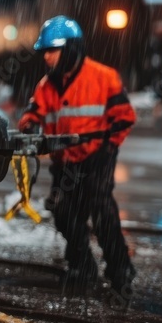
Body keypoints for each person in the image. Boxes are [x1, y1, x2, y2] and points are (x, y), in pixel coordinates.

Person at [18, 16, 137, 304]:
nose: (46, 56)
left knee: (103, 214)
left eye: (52, 50)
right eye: (44, 51)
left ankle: (121, 273)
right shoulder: (46, 86)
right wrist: (31, 127)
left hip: (98, 159)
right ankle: (82, 266)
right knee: (63, 213)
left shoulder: (103, 77)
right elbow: (32, 116)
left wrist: (107, 151)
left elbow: (124, 119)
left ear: (71, 48)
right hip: (65, 164)